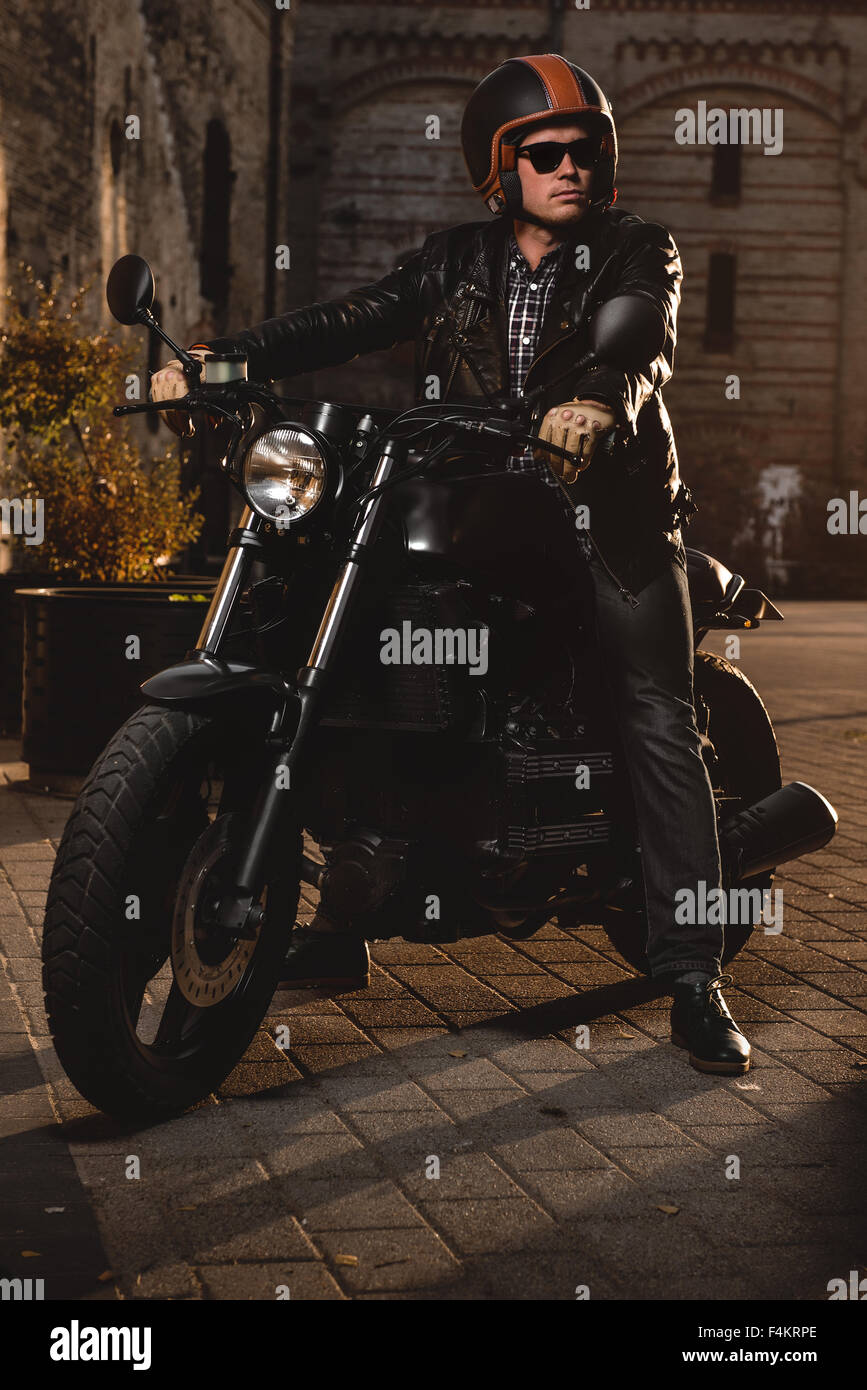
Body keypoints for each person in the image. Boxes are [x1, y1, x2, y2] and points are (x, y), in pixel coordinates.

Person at [151, 53, 751, 1075]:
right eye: (546, 152)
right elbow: (353, 316)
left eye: (587, 150)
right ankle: (348, 912)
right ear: (498, 167)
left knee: (653, 707)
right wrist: (225, 361)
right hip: (476, 497)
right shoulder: (452, 261)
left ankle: (694, 969)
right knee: (357, 641)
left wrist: (602, 401)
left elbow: (642, 333)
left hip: (610, 512)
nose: (572, 168)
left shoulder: (637, 247)